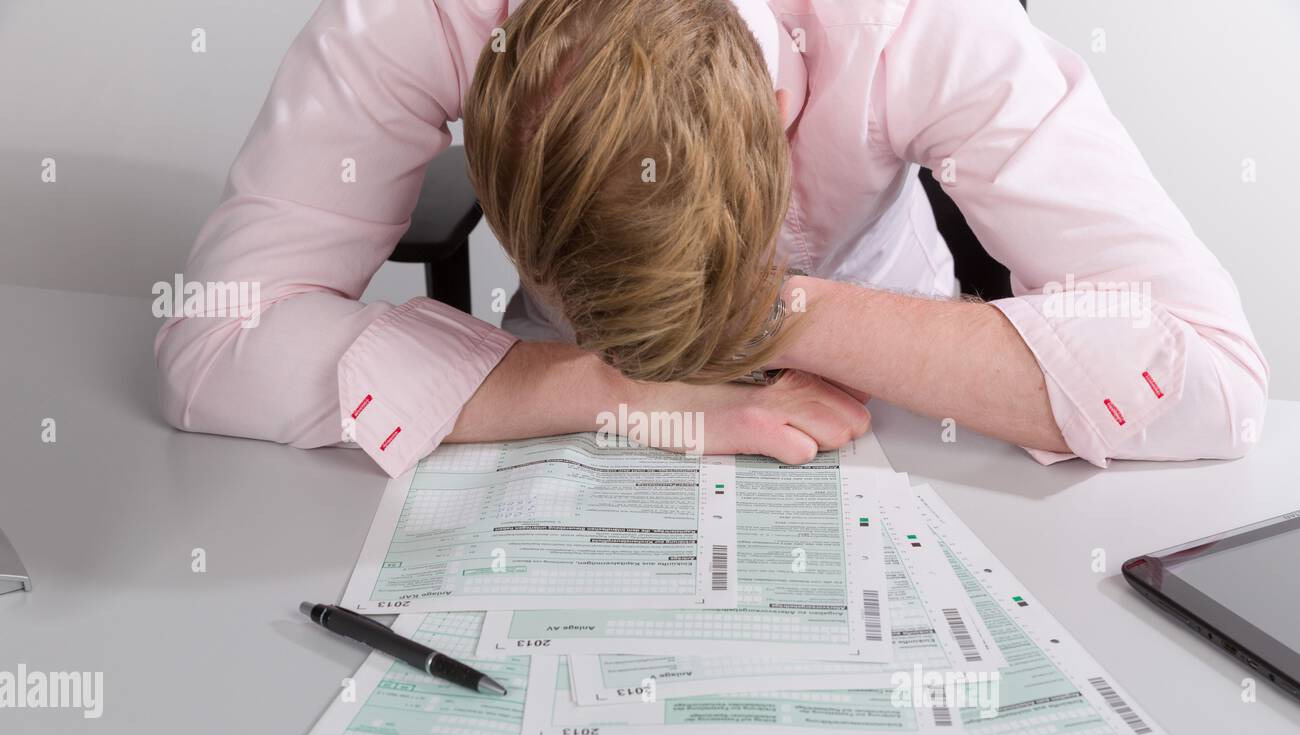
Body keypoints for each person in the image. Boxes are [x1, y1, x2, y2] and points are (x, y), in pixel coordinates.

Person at [155, 0, 1268, 476]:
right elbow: (213, 344)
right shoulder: (421, 19)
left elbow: (1211, 374)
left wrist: (785, 311)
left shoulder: (916, 23)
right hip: (556, 404)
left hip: (894, 389)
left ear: (785, 121)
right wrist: (614, 389)